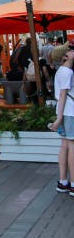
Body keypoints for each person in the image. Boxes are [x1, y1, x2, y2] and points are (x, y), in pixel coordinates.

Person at [49, 47, 74, 196]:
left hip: (64, 111)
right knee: (71, 145)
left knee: (65, 145)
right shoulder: (68, 72)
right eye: (70, 50)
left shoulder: (61, 71)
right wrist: (59, 118)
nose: (73, 51)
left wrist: (59, 116)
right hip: (69, 112)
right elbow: (64, 95)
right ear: (65, 56)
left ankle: (63, 182)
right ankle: (72, 185)